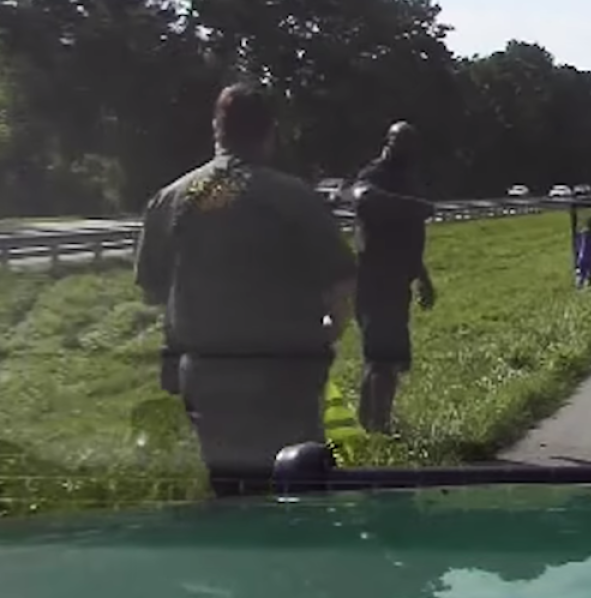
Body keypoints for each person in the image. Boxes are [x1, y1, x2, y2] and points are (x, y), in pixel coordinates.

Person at [134, 82, 357, 498]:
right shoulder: (292, 197)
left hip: (206, 373)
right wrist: (330, 331)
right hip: (284, 370)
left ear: (216, 129)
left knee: (230, 483)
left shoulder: (170, 199)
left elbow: (152, 293)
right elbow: (342, 285)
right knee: (297, 479)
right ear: (270, 131)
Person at [352, 120, 437, 434]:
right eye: (404, 144)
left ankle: (372, 423)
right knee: (382, 356)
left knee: (385, 357)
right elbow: (363, 198)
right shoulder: (372, 175)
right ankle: (378, 428)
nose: (411, 152)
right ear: (388, 142)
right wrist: (416, 207)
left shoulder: (407, 179)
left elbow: (412, 238)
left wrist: (423, 278)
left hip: (398, 279)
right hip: (374, 278)